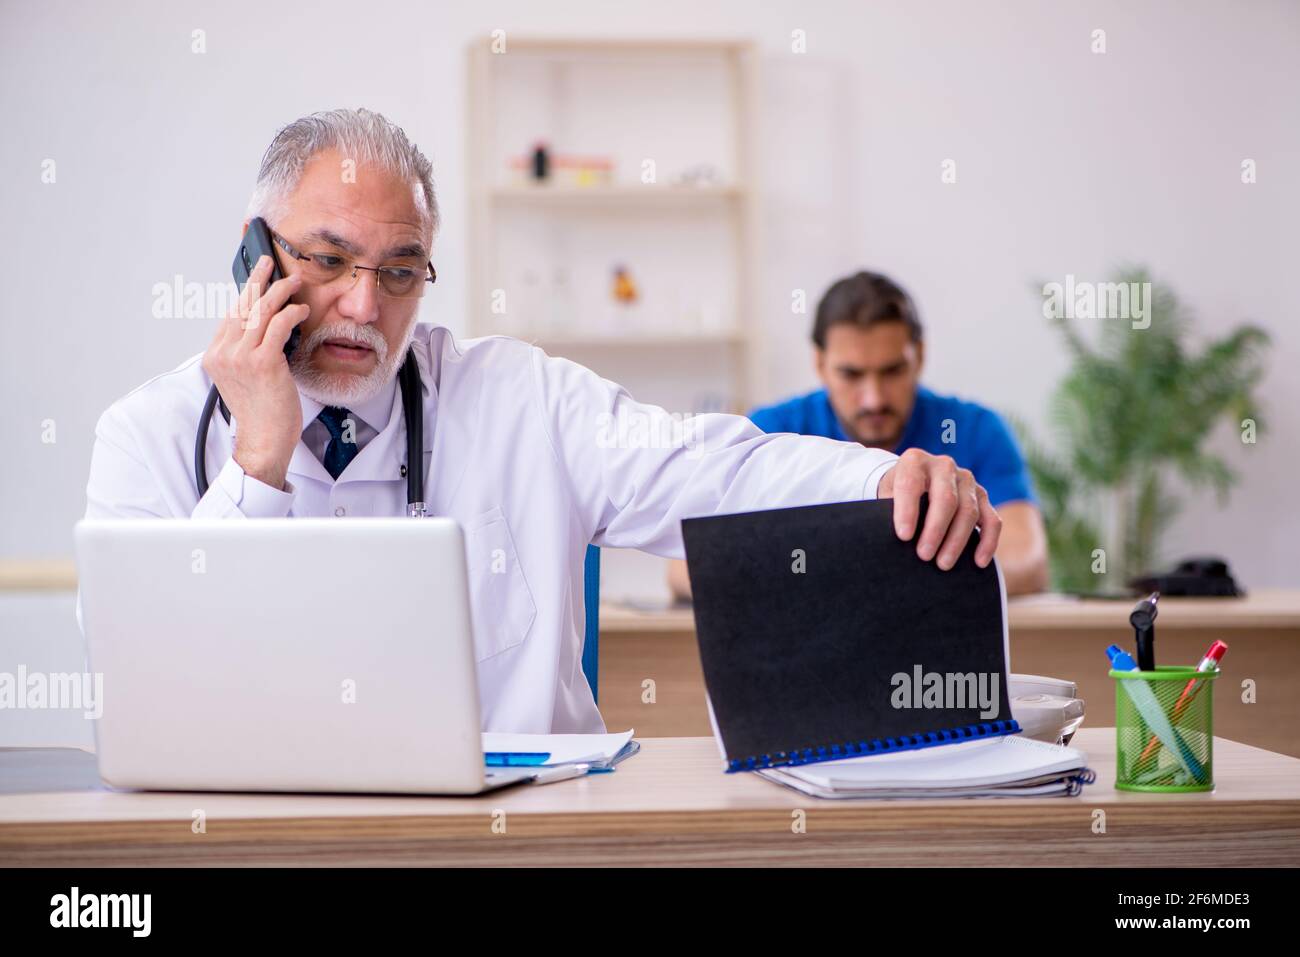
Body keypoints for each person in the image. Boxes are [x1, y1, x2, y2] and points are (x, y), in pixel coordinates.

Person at [82, 110, 1003, 734]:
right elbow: (158, 703)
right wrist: (258, 458)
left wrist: (878, 480)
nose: (364, 305)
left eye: (401, 270)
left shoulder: (519, 399)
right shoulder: (147, 438)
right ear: (257, 252)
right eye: (329, 259)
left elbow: (714, 467)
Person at [669, 270, 1047, 600]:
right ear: (819, 363)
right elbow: (683, 567)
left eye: (892, 371)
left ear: (920, 355)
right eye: (851, 374)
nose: (874, 398)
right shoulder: (767, 431)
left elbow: (1026, 560)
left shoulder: (976, 430)